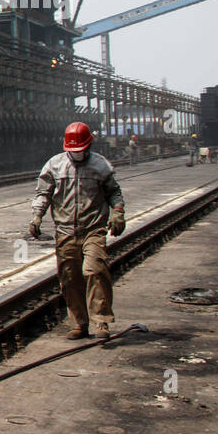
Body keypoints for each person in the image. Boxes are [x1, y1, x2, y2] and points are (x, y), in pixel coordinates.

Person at [29, 122, 125, 340]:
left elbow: (114, 192)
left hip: (93, 228)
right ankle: (79, 323)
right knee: (70, 278)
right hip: (64, 231)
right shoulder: (54, 165)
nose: (76, 154)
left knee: (95, 271)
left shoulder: (101, 166)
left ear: (88, 146)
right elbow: (43, 194)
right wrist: (37, 216)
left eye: (80, 151)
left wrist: (118, 212)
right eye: (72, 151)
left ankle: (100, 321)